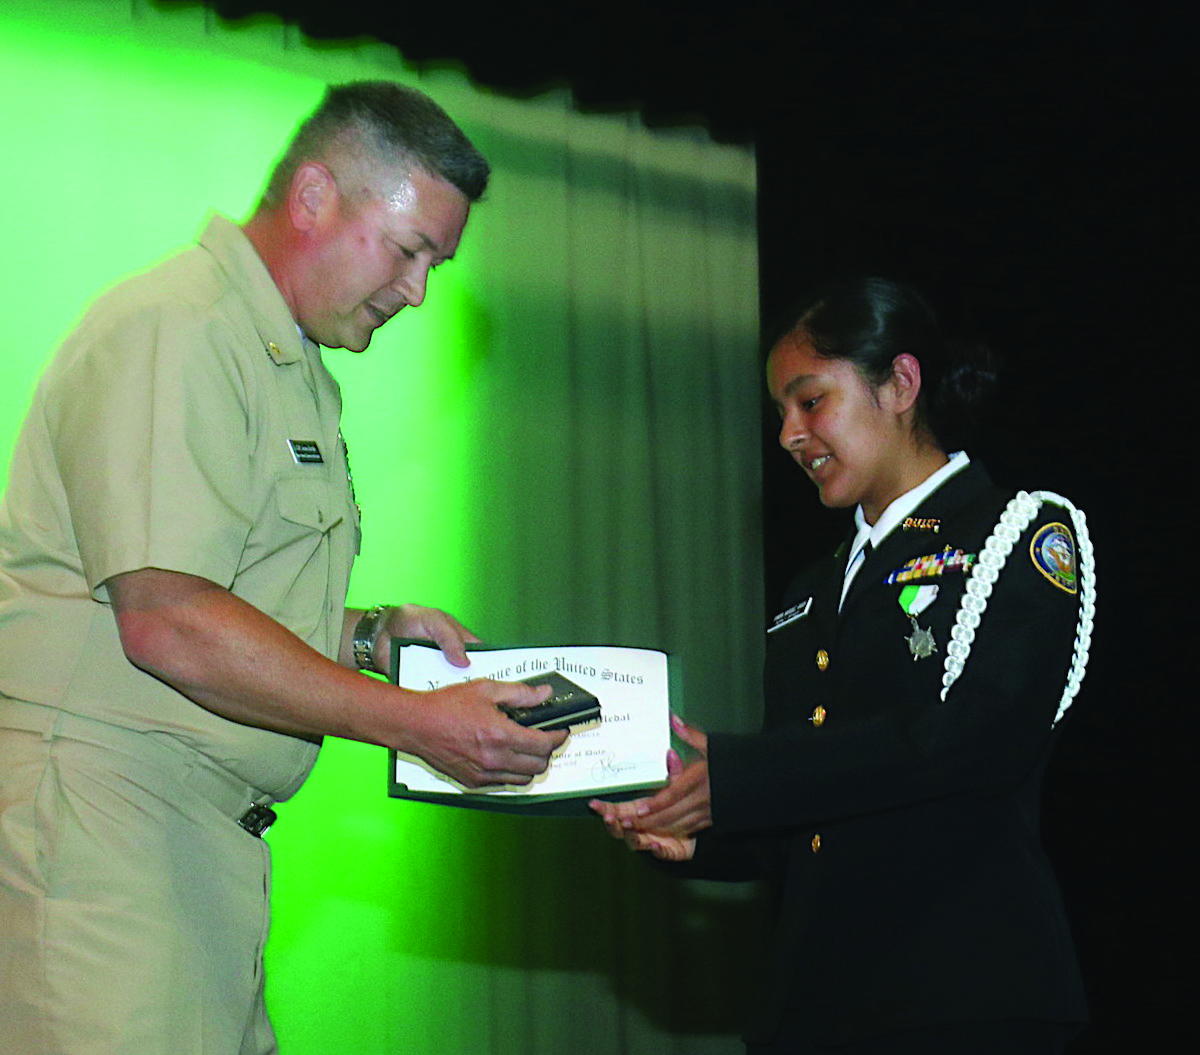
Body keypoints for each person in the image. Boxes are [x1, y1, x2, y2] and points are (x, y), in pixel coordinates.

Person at [0, 82, 566, 1055]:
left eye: (434, 264)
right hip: (106, 823)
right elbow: (168, 618)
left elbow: (220, 590)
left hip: (185, 843)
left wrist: (370, 634)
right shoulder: (181, 326)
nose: (417, 291)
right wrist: (416, 722)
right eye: (409, 250)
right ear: (314, 198)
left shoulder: (285, 361)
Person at [592, 277, 1095, 1054]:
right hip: (818, 1005)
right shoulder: (811, 589)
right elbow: (812, 821)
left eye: (811, 401)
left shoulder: (1016, 529)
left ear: (899, 384)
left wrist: (740, 773)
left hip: (961, 993)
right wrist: (698, 834)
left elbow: (980, 740)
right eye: (781, 412)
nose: (789, 435)